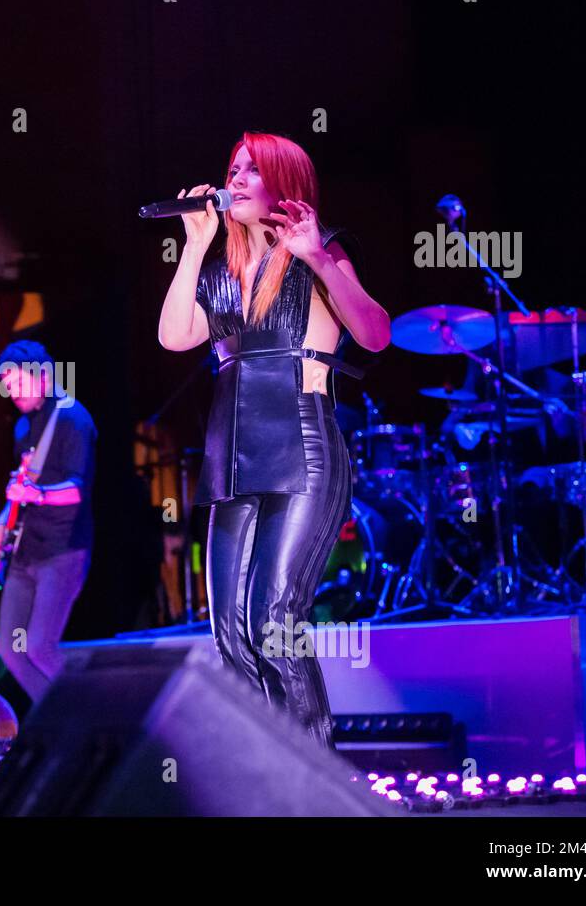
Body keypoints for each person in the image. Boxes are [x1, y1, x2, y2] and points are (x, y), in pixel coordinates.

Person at [157, 131, 390, 749]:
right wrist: (195, 245)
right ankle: (266, 773)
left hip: (303, 446)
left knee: (274, 620)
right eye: (232, 168)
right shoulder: (224, 273)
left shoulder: (325, 253)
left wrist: (313, 256)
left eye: (251, 171)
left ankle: (314, 784)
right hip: (232, 457)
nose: (234, 180)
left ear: (284, 184)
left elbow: (373, 333)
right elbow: (174, 336)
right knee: (230, 633)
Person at [0, 340, 97, 704]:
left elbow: (75, 491)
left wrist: (34, 495)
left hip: (62, 551)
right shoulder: (23, 426)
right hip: (25, 552)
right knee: (9, 649)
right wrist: (2, 521)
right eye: (8, 388)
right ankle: (54, 719)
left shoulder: (72, 418)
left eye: (19, 384)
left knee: (39, 647)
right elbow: (24, 485)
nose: (13, 394)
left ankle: (90, 710)